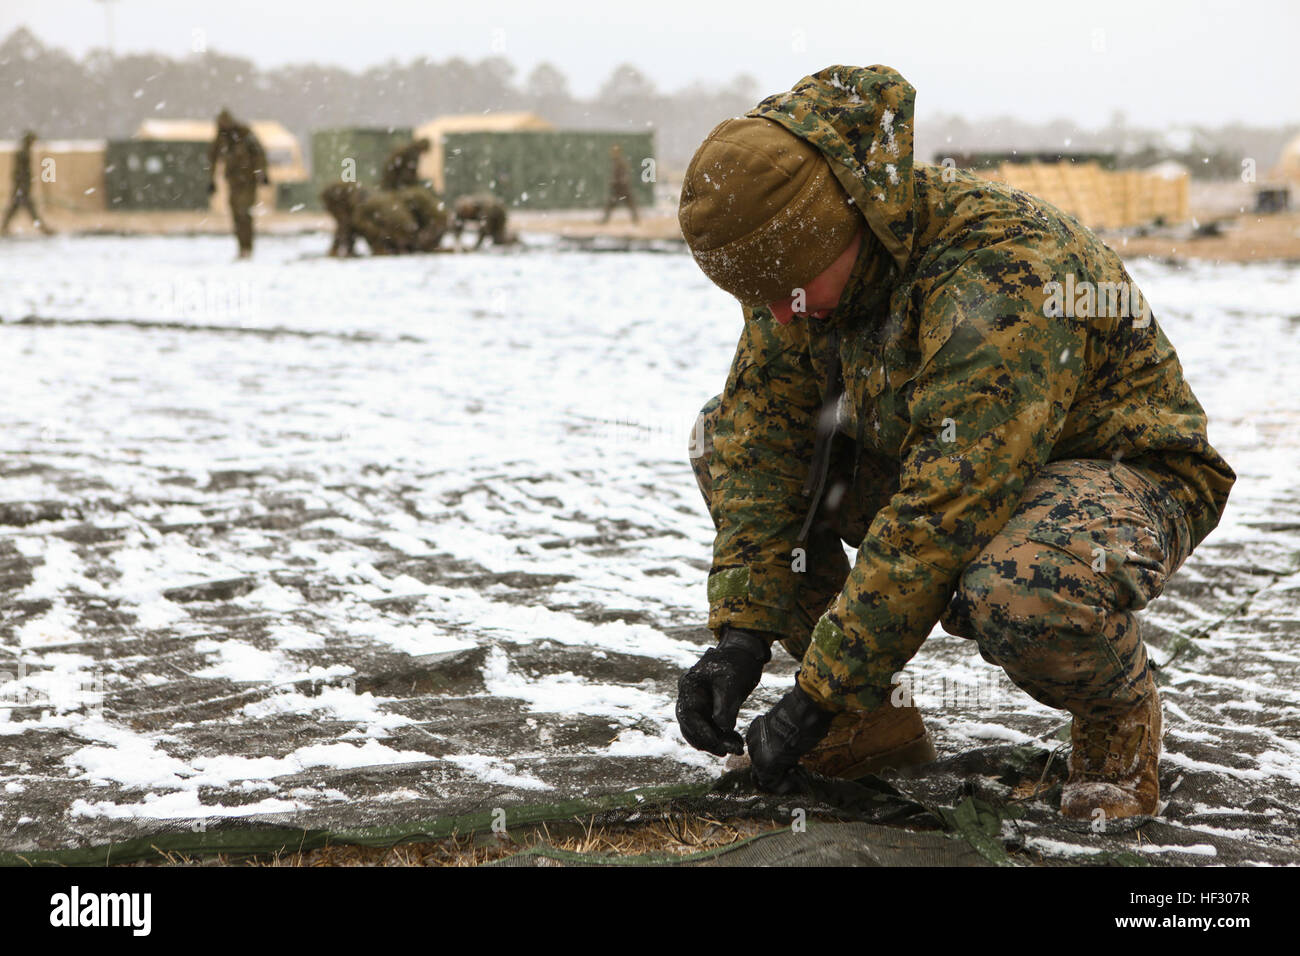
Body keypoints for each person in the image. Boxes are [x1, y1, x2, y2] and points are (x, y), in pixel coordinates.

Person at [673, 65, 1235, 821]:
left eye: (790, 291)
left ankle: (1115, 721)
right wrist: (741, 632)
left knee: (1019, 582)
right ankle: (870, 724)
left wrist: (816, 693)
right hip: (942, 463)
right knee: (723, 440)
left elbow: (942, 512)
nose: (778, 316)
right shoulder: (799, 282)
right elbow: (763, 440)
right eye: (759, 299)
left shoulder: (998, 273)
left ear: (851, 227)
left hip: (1120, 474)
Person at [207, 109, 269, 258]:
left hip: (248, 180)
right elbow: (212, 158)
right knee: (236, 213)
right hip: (233, 181)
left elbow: (259, 154)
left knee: (243, 212)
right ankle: (242, 247)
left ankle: (247, 247)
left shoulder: (244, 133)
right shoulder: (221, 137)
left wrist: (262, 174)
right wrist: (211, 180)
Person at [351, 184, 448, 255]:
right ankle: (413, 245)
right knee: (416, 243)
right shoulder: (396, 199)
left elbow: (358, 222)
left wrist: (378, 236)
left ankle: (387, 249)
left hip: (400, 227)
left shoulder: (367, 205)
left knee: (375, 230)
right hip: (411, 225)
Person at [2, 131, 53, 236]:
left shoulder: (23, 152)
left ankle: (4, 228)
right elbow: (21, 172)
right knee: (27, 209)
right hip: (22, 186)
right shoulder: (23, 153)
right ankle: (42, 228)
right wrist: (23, 186)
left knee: (15, 209)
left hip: (21, 186)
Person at [320, 181, 369, 257]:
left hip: (338, 196)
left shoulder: (356, 198)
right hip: (337, 196)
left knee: (346, 226)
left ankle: (340, 250)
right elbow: (345, 225)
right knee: (346, 226)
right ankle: (339, 251)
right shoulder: (353, 199)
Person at [600, 143, 639, 224]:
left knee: (628, 203)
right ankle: (605, 220)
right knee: (612, 204)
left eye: (615, 152)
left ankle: (635, 219)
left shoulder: (620, 162)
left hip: (622, 187)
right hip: (618, 187)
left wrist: (618, 181)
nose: (613, 154)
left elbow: (624, 174)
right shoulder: (617, 162)